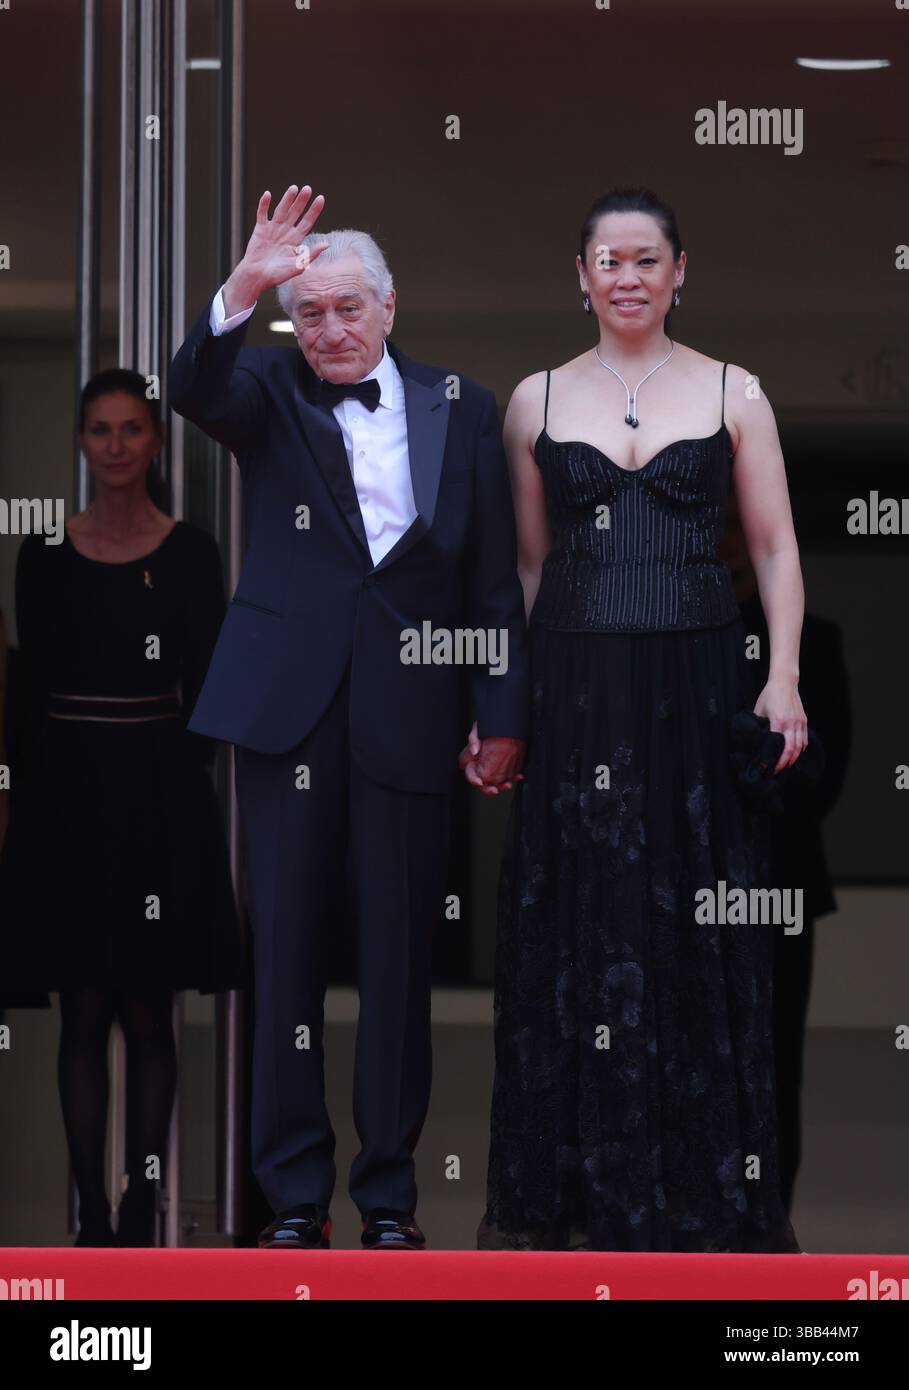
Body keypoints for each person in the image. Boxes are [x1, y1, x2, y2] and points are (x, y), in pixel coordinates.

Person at [168, 185, 529, 1251]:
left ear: (389, 307)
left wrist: (500, 709)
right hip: (287, 712)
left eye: (345, 309)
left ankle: (388, 1198)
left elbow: (493, 583)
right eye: (309, 312)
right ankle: (290, 1196)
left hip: (412, 711)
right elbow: (192, 387)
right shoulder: (268, 385)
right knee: (284, 954)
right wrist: (244, 288)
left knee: (398, 962)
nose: (326, 330)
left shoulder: (465, 405)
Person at [471, 186, 806, 1252]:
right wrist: (507, 702)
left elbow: (775, 549)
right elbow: (528, 565)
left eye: (646, 258)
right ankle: (568, 1205)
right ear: (580, 275)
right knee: (574, 922)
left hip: (699, 688)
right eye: (608, 258)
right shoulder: (532, 400)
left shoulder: (733, 390)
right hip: (573, 690)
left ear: (679, 271)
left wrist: (783, 675)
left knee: (694, 925)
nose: (627, 274)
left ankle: (706, 1205)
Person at [0, 370, 244, 1247]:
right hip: (66, 795)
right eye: (99, 430)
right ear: (80, 441)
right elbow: (27, 701)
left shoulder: (191, 552)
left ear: (154, 443)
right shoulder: (43, 554)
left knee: (148, 1011)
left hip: (156, 791)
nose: (114, 446)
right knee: (83, 1013)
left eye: (130, 429)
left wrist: (182, 796)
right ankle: (90, 1219)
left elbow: (209, 686)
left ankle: (141, 1210)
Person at [720, 494, 852, 1212]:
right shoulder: (684, 636)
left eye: (743, 526)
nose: (729, 541)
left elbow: (823, 775)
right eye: (718, 524)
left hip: (781, 885)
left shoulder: (818, 644)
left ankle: (771, 1221)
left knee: (774, 1060)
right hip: (690, 880)